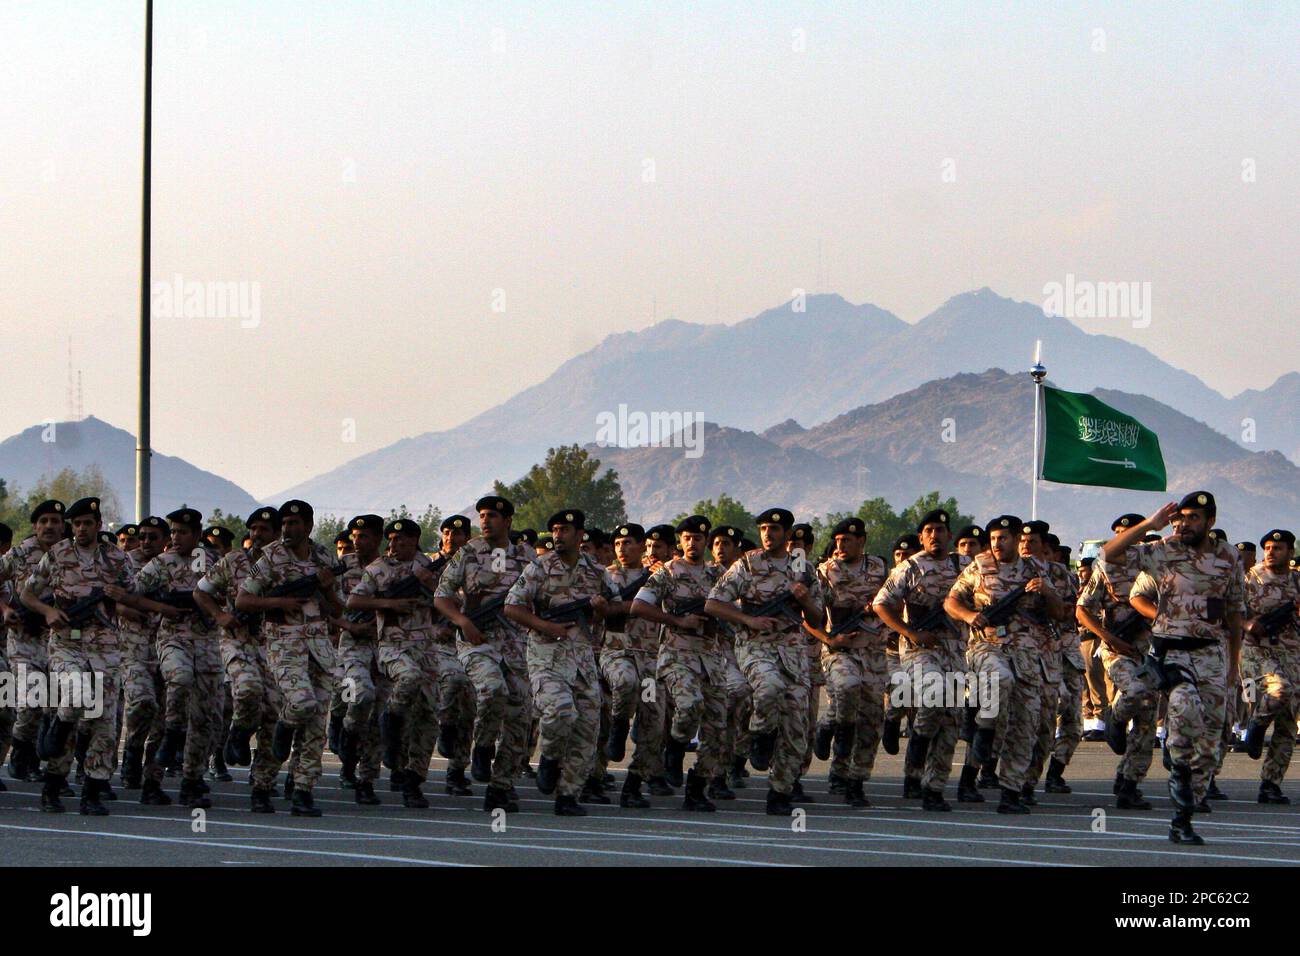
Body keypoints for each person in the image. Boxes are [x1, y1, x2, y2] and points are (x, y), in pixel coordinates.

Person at [1101, 492, 1245, 845]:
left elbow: (1234, 612)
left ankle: (1189, 809)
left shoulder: (1229, 556)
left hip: (1211, 654)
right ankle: (1180, 818)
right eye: (1180, 517)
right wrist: (1150, 524)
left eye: (1193, 517)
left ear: (1210, 521)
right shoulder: (1164, 549)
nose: (1184, 524)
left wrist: (1234, 665)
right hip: (1172, 653)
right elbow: (1109, 553)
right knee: (1184, 711)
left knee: (1211, 744)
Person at [705, 508, 824, 816]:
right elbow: (713, 603)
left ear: (787, 533)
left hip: (793, 652)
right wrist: (747, 619)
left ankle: (780, 792)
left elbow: (818, 618)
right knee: (767, 688)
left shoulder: (803, 567)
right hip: (755, 646)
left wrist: (805, 599)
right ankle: (759, 734)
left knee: (796, 726)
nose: (767, 534)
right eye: (763, 529)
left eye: (774, 529)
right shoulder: (747, 563)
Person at [504, 509, 612, 816]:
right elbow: (512, 606)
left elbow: (615, 605)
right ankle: (549, 758)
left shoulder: (595, 570)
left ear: (580, 536)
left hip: (582, 660)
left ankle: (568, 795)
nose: (558, 535)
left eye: (564, 530)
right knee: (560, 711)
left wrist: (601, 609)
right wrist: (545, 626)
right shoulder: (540, 567)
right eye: (554, 529)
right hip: (547, 656)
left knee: (587, 728)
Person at [1241, 529, 1300, 803]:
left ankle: (1271, 784)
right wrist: (1247, 623)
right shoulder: (1250, 578)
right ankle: (1257, 723)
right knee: (1281, 690)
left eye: (1277, 548)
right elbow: (1229, 608)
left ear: (1290, 552)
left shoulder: (1297, 582)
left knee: (1288, 724)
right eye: (1267, 547)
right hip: (1257, 650)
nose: (1270, 552)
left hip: (1292, 654)